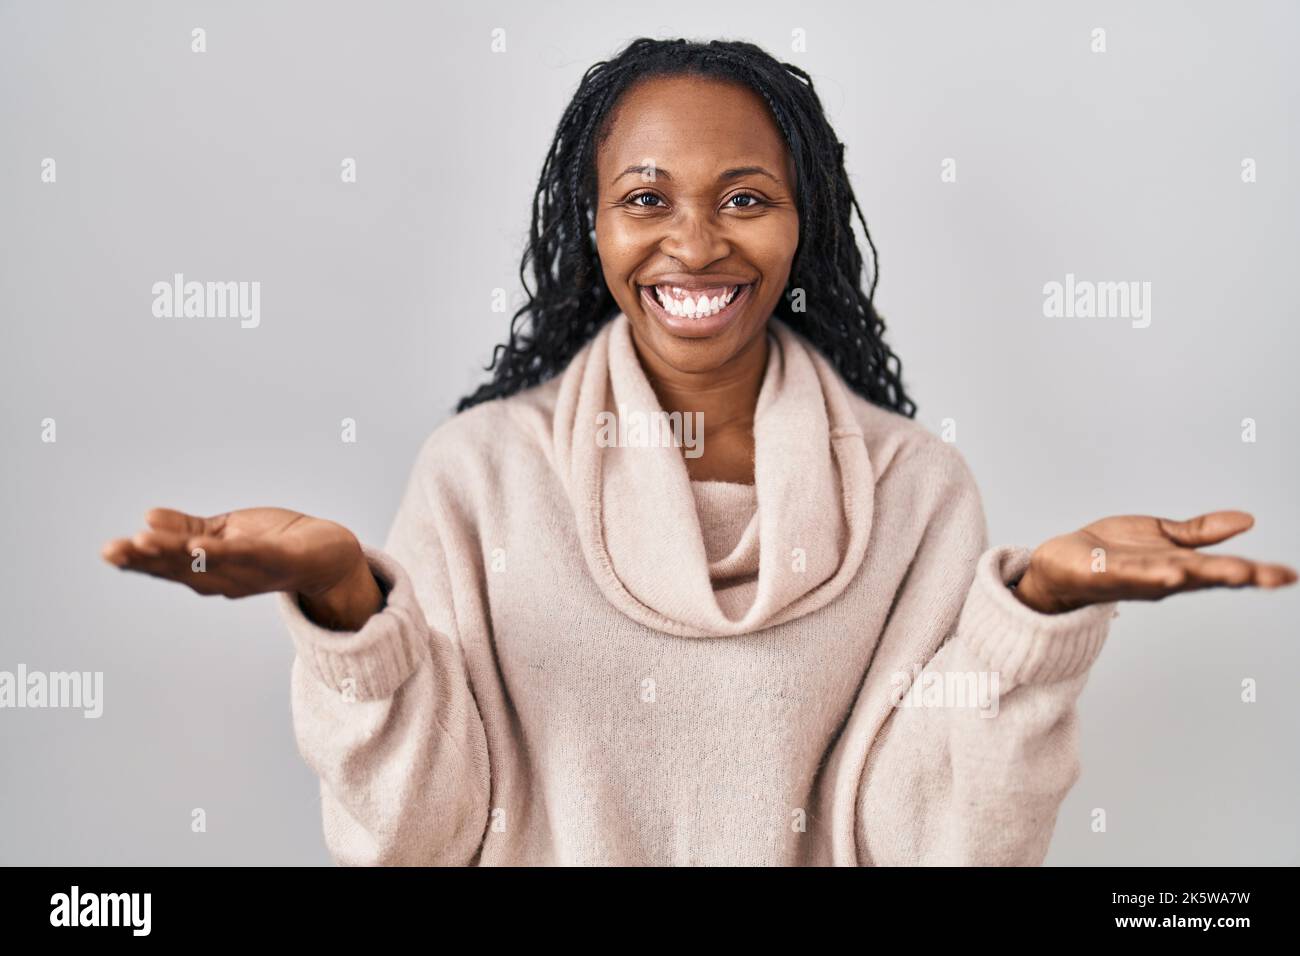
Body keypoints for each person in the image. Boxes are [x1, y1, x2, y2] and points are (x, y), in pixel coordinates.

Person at [101, 38, 1295, 866]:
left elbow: (927, 840)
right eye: (644, 197)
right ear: (594, 222)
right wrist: (350, 609)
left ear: (801, 218)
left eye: (741, 198)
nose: (692, 242)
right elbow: (419, 837)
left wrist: (1032, 617)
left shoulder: (915, 492)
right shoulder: (479, 477)